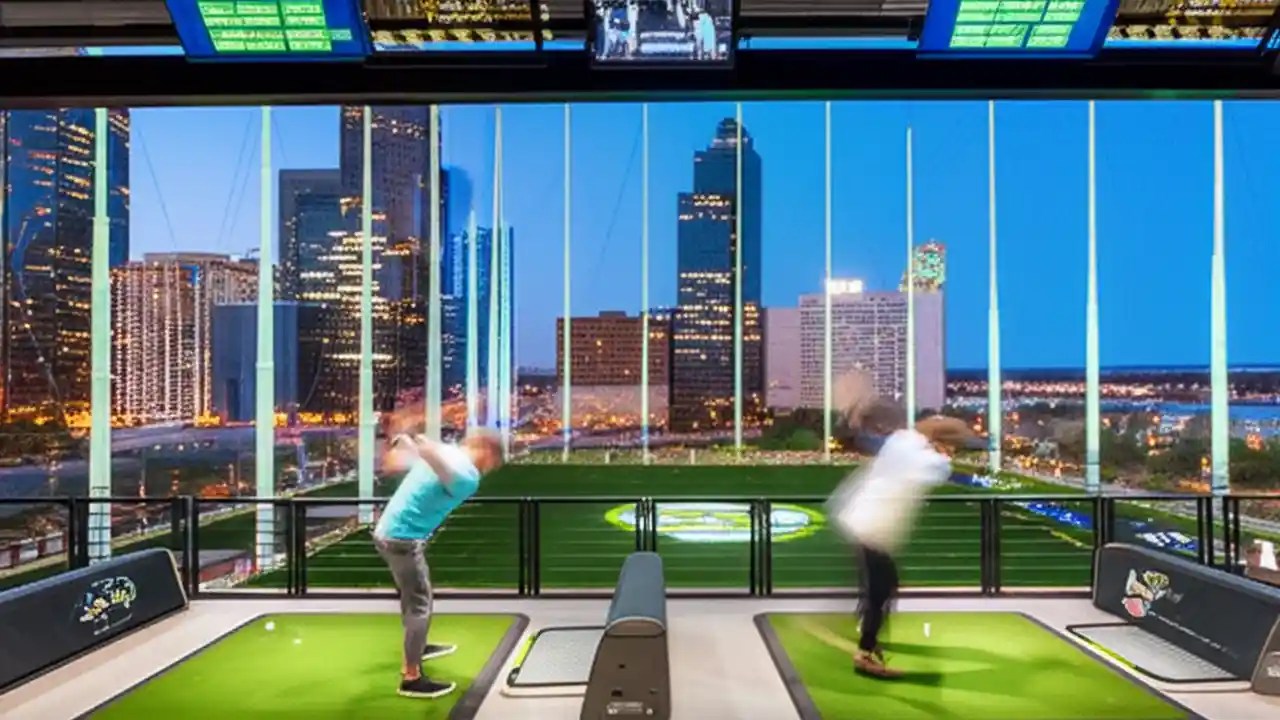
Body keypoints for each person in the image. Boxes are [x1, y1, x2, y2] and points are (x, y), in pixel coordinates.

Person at [828, 376, 976, 678]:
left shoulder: (902, 440)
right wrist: (949, 453)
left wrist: (858, 413)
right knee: (881, 588)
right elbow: (945, 470)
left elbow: (881, 441)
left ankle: (866, 627)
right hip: (874, 529)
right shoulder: (931, 461)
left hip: (861, 521)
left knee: (882, 584)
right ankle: (866, 651)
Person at [374, 426, 504, 698]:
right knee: (419, 606)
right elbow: (437, 461)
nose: (491, 467)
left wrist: (411, 440)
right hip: (402, 541)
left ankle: (417, 646)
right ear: (486, 452)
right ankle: (411, 677)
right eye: (493, 460)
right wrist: (416, 443)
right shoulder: (467, 477)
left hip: (389, 533)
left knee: (413, 599)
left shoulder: (448, 454)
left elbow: (429, 456)